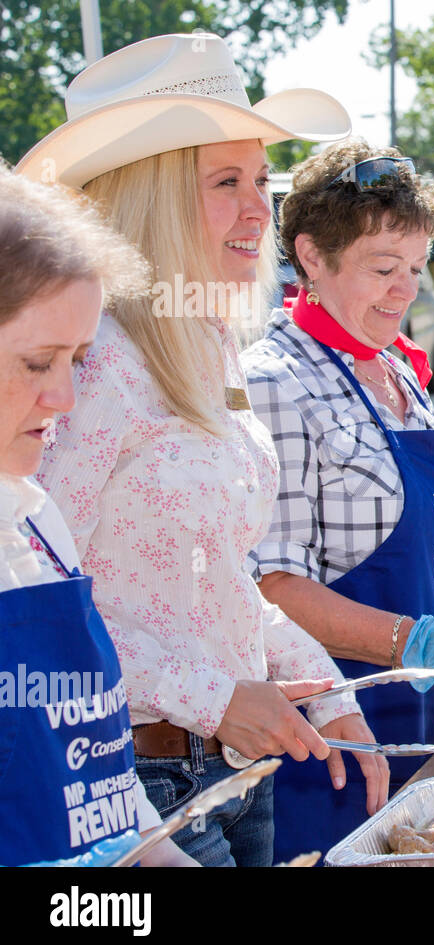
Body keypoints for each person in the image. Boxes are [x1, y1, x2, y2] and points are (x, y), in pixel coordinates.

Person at [18, 33, 382, 867]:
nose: (263, 208)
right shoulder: (91, 360)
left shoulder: (208, 342)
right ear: (148, 198)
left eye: (262, 180)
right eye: (227, 182)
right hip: (129, 784)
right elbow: (41, 609)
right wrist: (216, 699)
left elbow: (221, 576)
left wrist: (329, 692)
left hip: (229, 775)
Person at [241, 139, 434, 860]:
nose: (406, 292)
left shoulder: (397, 369)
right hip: (335, 749)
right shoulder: (277, 383)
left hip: (427, 728)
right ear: (311, 255)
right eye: (383, 268)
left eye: (417, 270)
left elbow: (425, 556)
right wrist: (417, 640)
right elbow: (271, 588)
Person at [0, 169, 196, 867]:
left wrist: (155, 851)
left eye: (79, 361)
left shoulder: (37, 520)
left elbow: (103, 774)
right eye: (36, 362)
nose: (65, 398)